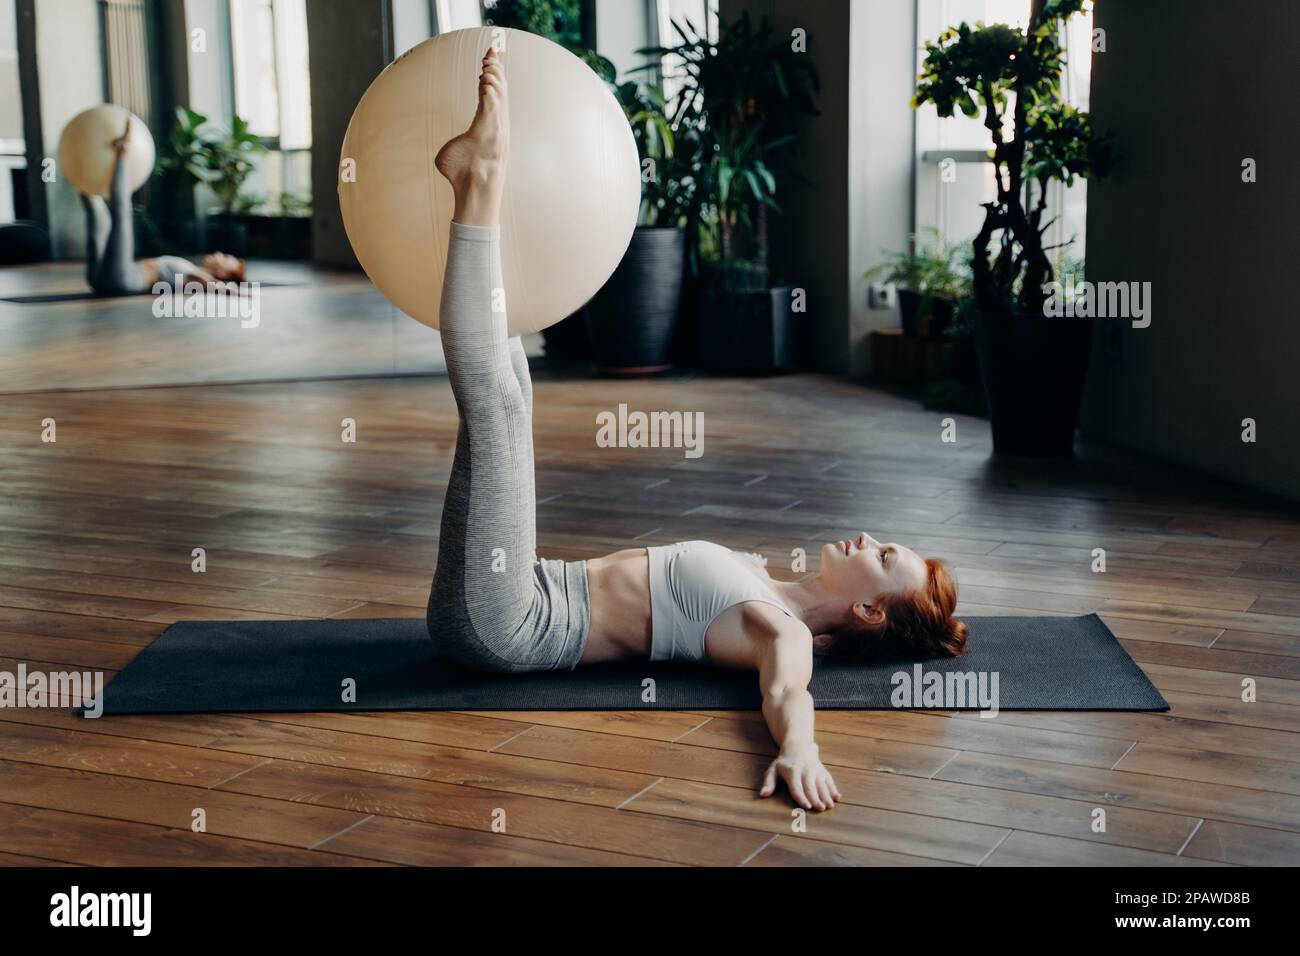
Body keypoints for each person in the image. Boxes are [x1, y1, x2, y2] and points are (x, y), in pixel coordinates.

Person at [426, 48, 968, 813]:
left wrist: (799, 751)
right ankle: (484, 191)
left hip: (505, 624)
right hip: (527, 585)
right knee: (511, 384)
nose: (868, 535)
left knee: (499, 407)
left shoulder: (781, 631)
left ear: (871, 612)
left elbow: (787, 694)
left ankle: (479, 181)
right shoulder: (765, 580)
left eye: (883, 557)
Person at [79, 118, 245, 295]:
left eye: (227, 258)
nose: (220, 253)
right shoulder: (192, 271)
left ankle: (122, 154)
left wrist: (237, 291)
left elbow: (216, 287)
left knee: (121, 215)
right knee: (98, 218)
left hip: (123, 280)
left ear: (224, 273)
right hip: (103, 279)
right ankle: (84, 181)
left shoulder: (198, 277)